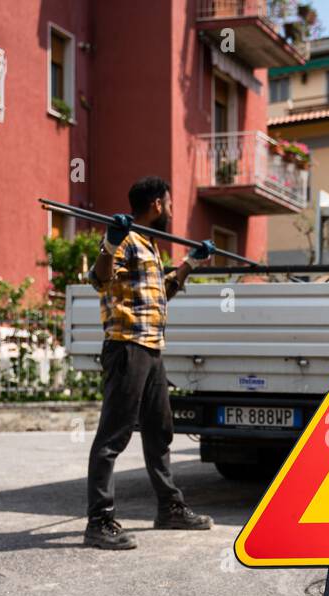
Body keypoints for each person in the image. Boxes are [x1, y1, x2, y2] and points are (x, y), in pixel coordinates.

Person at [84, 176, 216, 550]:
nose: (172, 210)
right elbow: (99, 279)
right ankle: (99, 520)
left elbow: (162, 294)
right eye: (170, 203)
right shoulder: (124, 240)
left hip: (152, 348)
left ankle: (169, 508)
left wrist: (190, 262)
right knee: (114, 435)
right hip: (127, 346)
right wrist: (109, 243)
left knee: (160, 431)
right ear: (158, 204)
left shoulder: (150, 246)